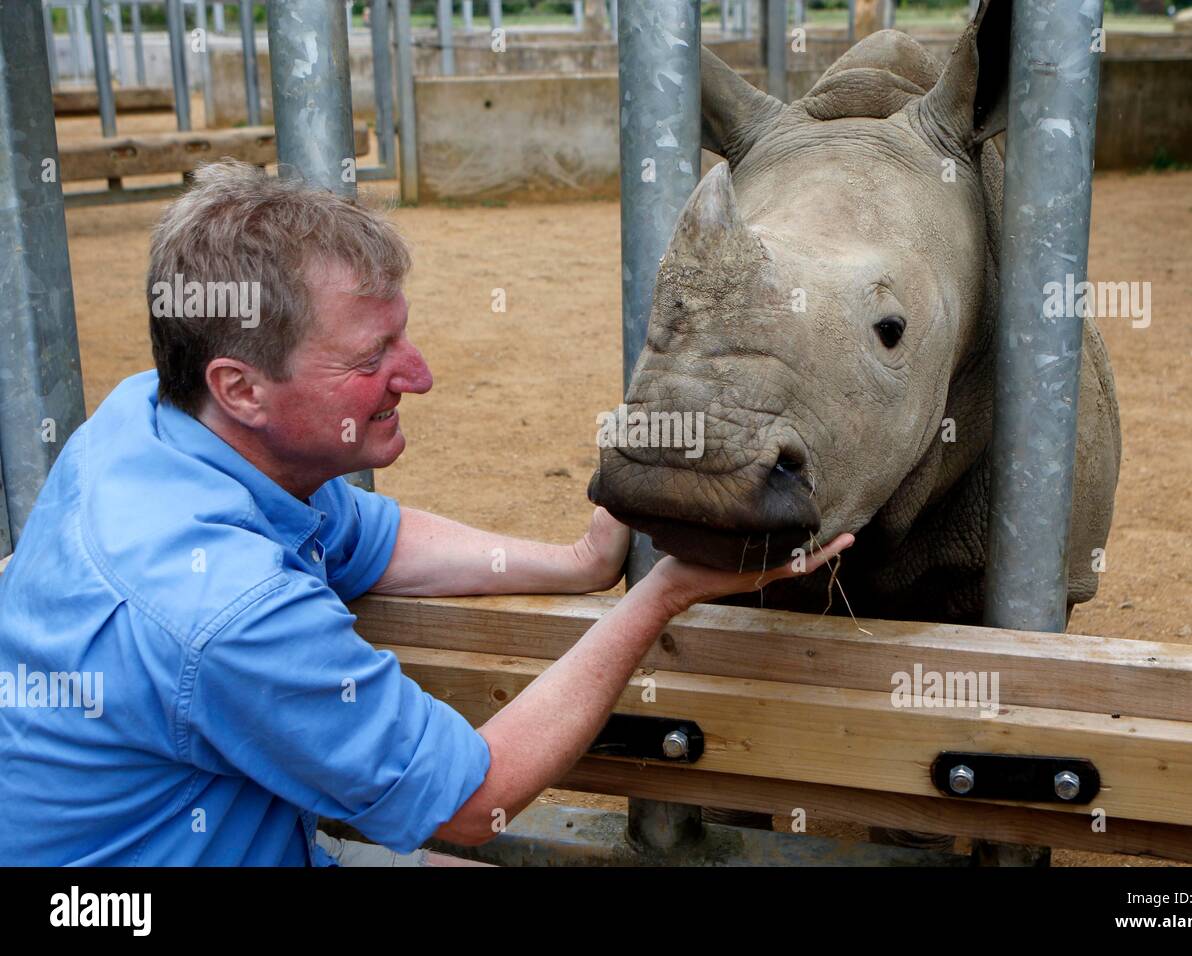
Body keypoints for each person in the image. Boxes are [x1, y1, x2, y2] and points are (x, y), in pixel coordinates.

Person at [0, 161, 852, 865]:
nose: (421, 374)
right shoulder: (226, 612)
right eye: (374, 356)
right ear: (241, 388)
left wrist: (581, 561)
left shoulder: (147, 421)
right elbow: (473, 804)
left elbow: (364, 535)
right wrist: (656, 596)